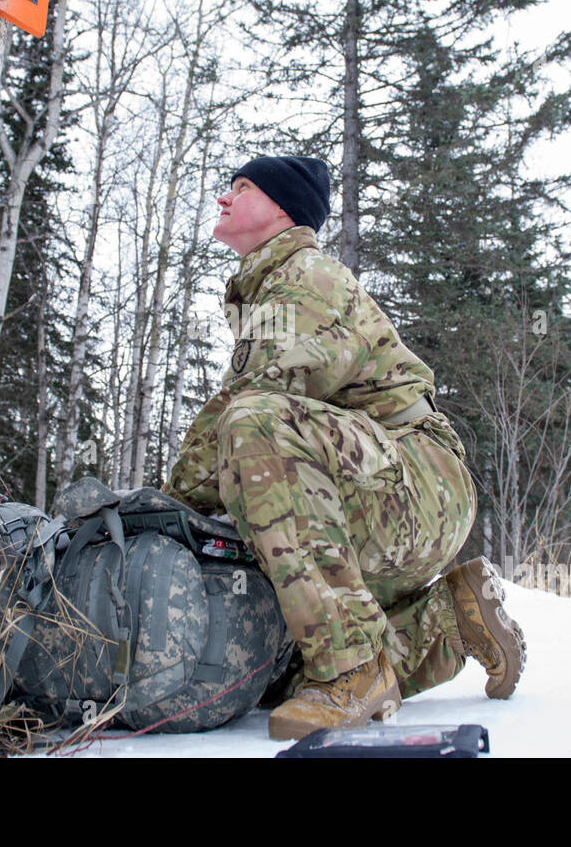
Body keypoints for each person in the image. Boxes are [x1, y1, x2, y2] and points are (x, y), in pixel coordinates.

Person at [162, 155, 527, 741]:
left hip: (419, 479)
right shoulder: (264, 286)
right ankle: (449, 622)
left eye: (242, 187)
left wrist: (162, 505)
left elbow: (250, 408)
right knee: (268, 665)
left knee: (255, 426)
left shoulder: (304, 278)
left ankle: (352, 670)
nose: (224, 198)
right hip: (375, 494)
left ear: (282, 208)